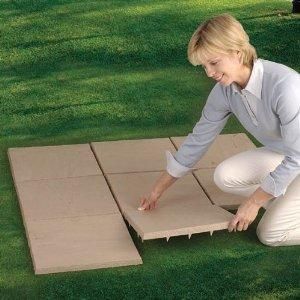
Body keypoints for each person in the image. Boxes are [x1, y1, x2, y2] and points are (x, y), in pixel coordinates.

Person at [138, 13, 300, 247]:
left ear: (237, 52)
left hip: (296, 156)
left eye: (213, 63)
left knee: (270, 234)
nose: (209, 73)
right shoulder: (225, 91)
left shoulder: (286, 87)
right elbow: (199, 139)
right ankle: (287, 201)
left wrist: (254, 202)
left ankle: (284, 207)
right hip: (287, 154)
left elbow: (297, 155)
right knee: (225, 176)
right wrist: (157, 190)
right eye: (203, 66)